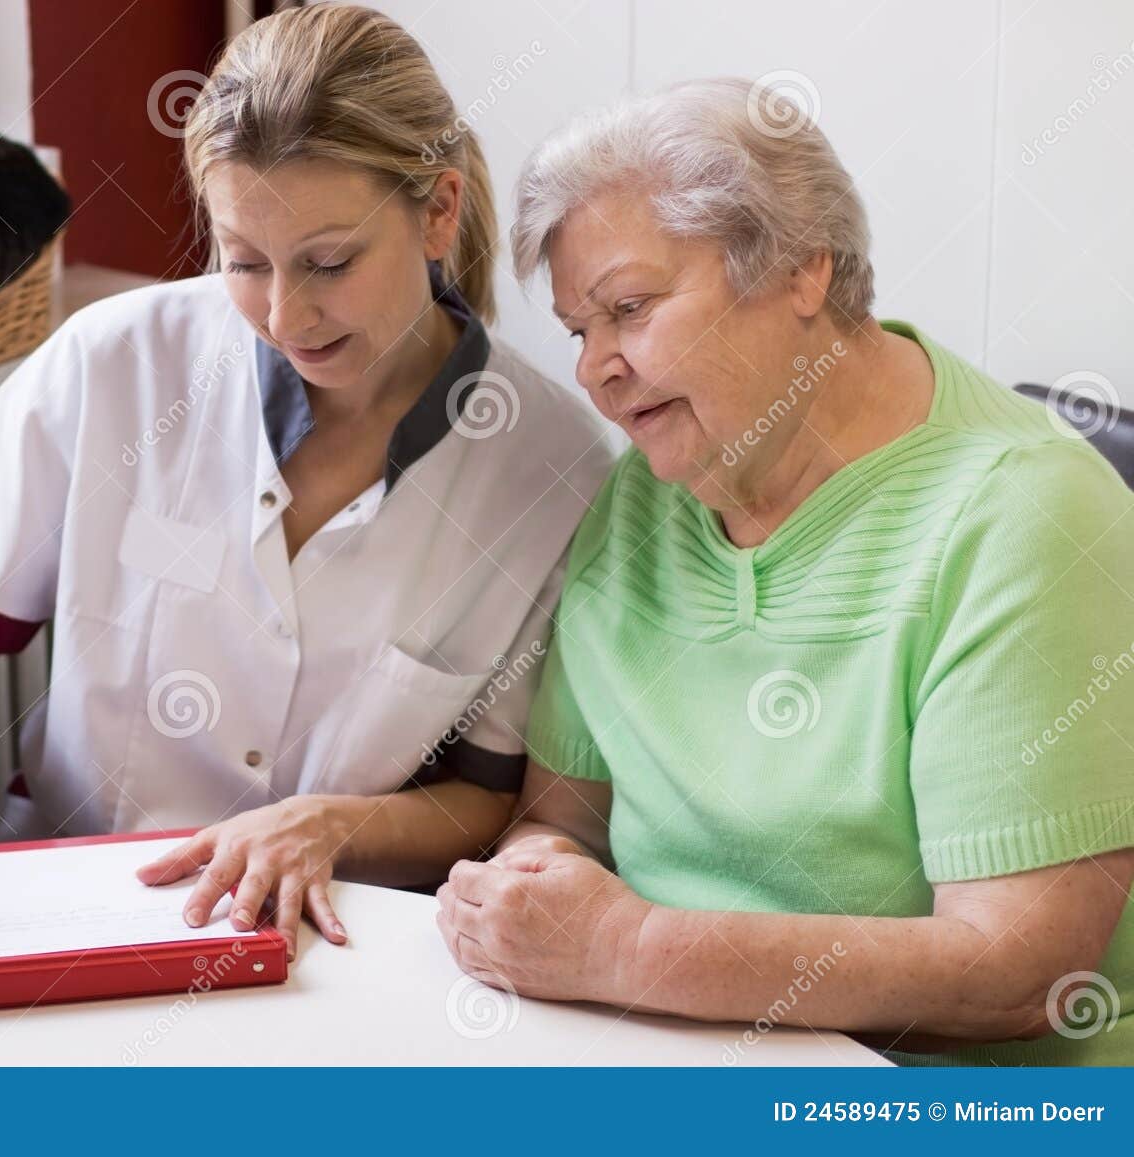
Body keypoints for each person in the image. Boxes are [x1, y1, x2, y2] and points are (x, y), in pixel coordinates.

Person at [0, 5, 611, 959]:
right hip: (75, 896)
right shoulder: (115, 363)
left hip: (342, 936)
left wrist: (325, 823)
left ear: (439, 211)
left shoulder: (553, 466)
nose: (286, 314)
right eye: (244, 261)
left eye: (330, 262)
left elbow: (487, 791)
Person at [436, 78, 1134, 1064]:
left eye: (628, 308)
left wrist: (627, 948)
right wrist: (534, 880)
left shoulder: (1023, 513)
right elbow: (562, 818)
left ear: (802, 271)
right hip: (667, 1055)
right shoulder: (646, 493)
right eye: (578, 330)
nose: (595, 366)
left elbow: (1016, 970)